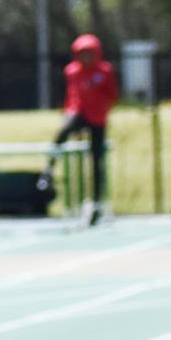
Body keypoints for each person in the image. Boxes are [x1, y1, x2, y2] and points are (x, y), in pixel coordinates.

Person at [43, 34, 118, 224]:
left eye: (89, 53)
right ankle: (48, 171)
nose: (86, 58)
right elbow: (72, 96)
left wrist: (99, 102)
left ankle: (96, 203)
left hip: (97, 117)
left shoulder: (104, 71)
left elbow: (112, 95)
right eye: (82, 53)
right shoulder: (73, 71)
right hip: (79, 113)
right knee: (62, 133)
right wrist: (69, 112)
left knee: (96, 159)